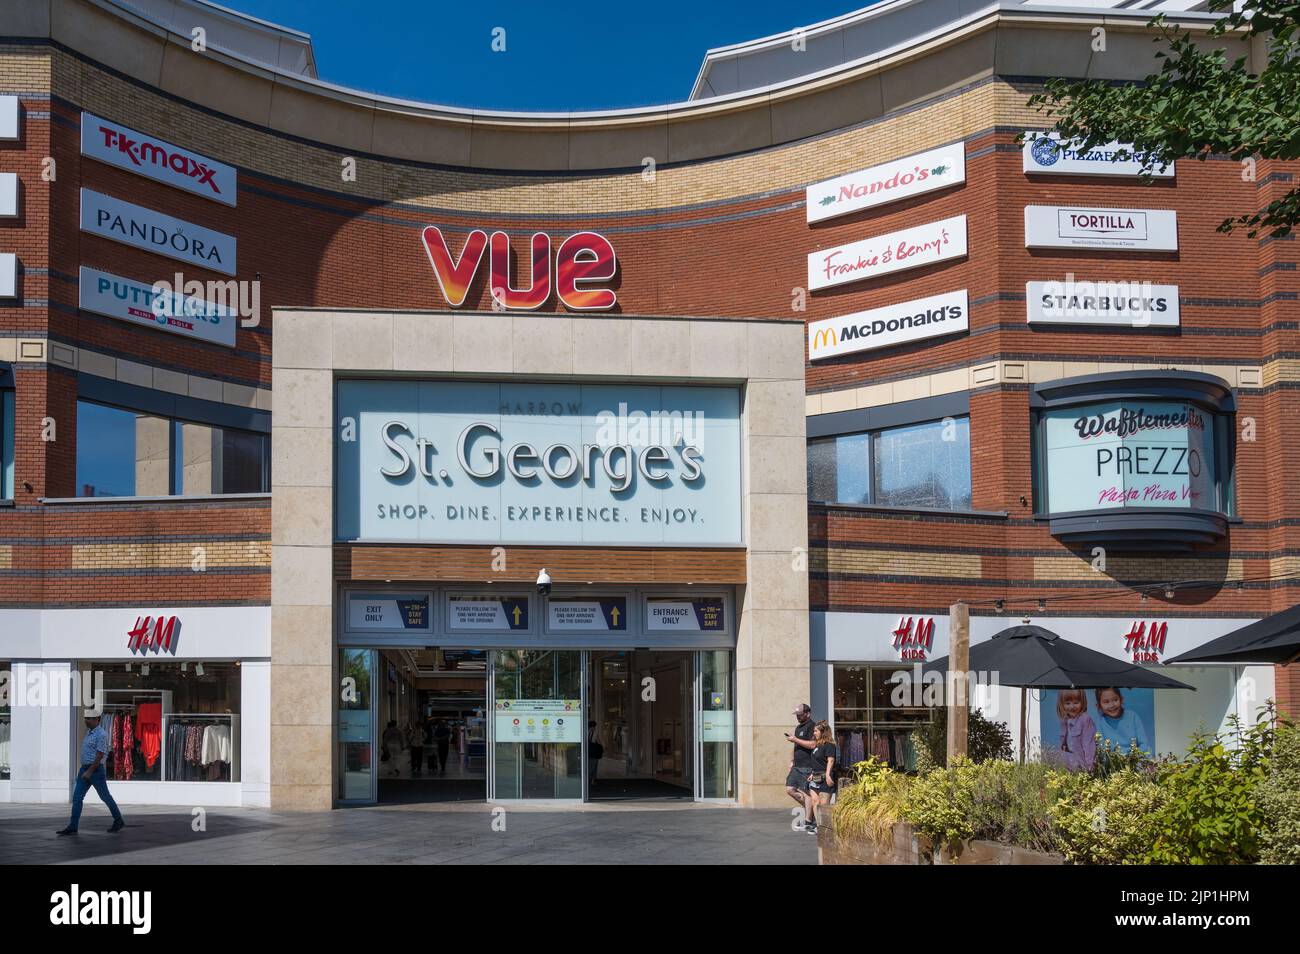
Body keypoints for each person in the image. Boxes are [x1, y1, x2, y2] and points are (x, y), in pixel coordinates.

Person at [57, 714, 125, 836]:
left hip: (95, 770)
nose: (86, 721)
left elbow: (100, 754)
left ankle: (118, 820)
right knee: (77, 797)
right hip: (84, 769)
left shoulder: (101, 734)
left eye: (89, 719)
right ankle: (73, 826)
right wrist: (85, 770)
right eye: (85, 718)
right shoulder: (89, 732)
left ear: (96, 720)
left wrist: (90, 771)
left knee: (105, 796)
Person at [1093, 687, 1152, 756]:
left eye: (1115, 700)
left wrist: (1132, 759)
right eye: (1106, 702)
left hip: (1136, 760)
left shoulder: (1132, 716)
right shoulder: (1099, 723)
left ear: (1121, 699)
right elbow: (1102, 752)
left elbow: (1144, 744)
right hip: (1113, 763)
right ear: (1099, 705)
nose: (1111, 705)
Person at [784, 703, 817, 822]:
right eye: (797, 715)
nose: (798, 717)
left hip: (807, 766)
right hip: (796, 765)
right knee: (790, 789)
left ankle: (809, 820)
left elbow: (813, 744)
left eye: (800, 714)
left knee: (807, 793)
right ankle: (811, 811)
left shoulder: (812, 726)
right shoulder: (798, 727)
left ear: (808, 714)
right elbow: (796, 746)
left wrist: (796, 739)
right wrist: (792, 761)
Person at [804, 720, 837, 835]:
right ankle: (819, 826)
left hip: (824, 778)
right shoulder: (817, 745)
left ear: (823, 732)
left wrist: (828, 774)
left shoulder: (829, 745)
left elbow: (830, 760)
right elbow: (816, 761)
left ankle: (825, 828)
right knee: (815, 802)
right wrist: (812, 774)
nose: (814, 733)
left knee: (824, 805)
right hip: (815, 777)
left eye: (816, 731)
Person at [1057, 689, 1097, 772]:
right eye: (1068, 703)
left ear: (1082, 702)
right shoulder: (1065, 720)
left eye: (1076, 703)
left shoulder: (1085, 719)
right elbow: (1064, 744)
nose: (1072, 707)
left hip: (1082, 764)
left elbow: (1089, 745)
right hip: (1069, 762)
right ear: (1062, 704)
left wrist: (1090, 767)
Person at [587, 720, 603, 787]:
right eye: (594, 726)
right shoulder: (595, 733)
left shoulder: (586, 732)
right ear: (593, 726)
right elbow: (599, 742)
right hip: (594, 752)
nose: (594, 728)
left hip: (588, 752)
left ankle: (588, 780)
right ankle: (592, 780)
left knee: (589, 766)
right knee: (594, 766)